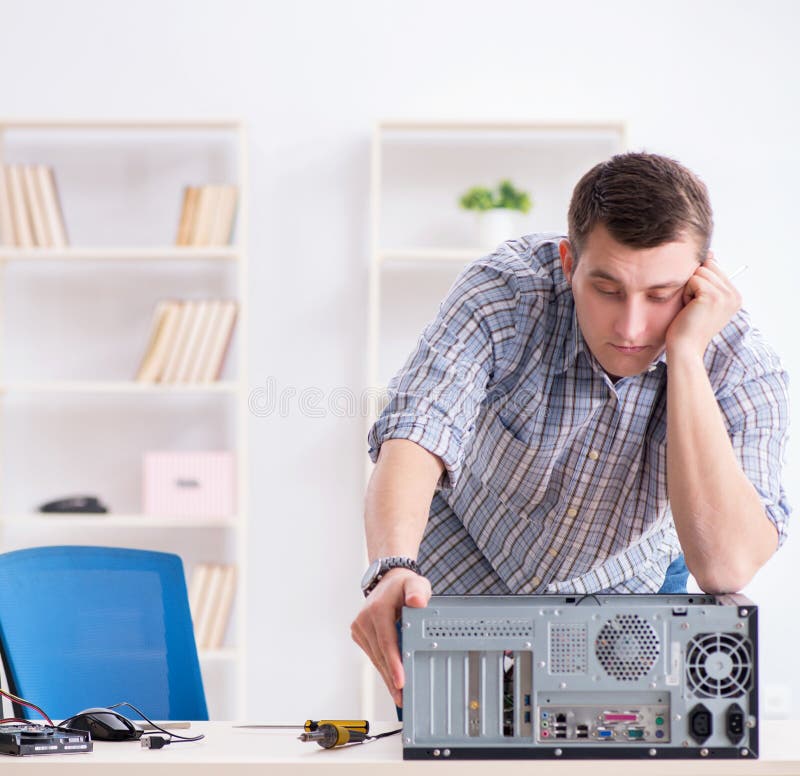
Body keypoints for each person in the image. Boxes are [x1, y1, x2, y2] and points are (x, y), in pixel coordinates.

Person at [351, 152, 790, 708]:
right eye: (607, 290)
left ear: (703, 280)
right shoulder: (506, 292)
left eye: (660, 296)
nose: (631, 327)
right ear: (567, 263)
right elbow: (416, 433)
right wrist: (391, 568)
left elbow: (725, 565)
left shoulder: (743, 365)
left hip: (622, 597)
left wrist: (685, 355)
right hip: (464, 567)